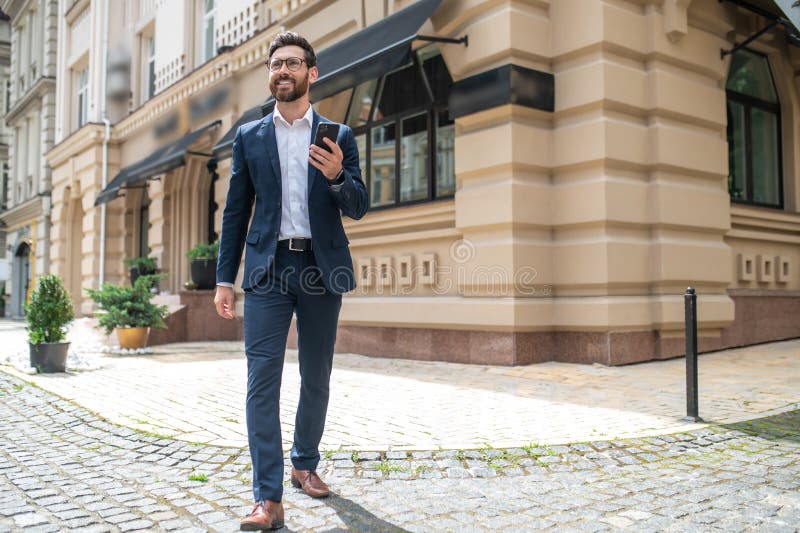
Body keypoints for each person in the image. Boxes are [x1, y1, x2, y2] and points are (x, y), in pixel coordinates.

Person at [214, 31, 368, 531]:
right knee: (262, 380)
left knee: (316, 375)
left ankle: (305, 461)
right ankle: (267, 498)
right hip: (268, 271)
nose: (282, 71)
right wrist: (223, 280)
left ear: (312, 72)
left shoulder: (338, 137)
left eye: (292, 63)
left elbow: (360, 207)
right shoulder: (250, 136)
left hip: (323, 269)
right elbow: (235, 213)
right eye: (275, 64)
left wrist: (340, 178)